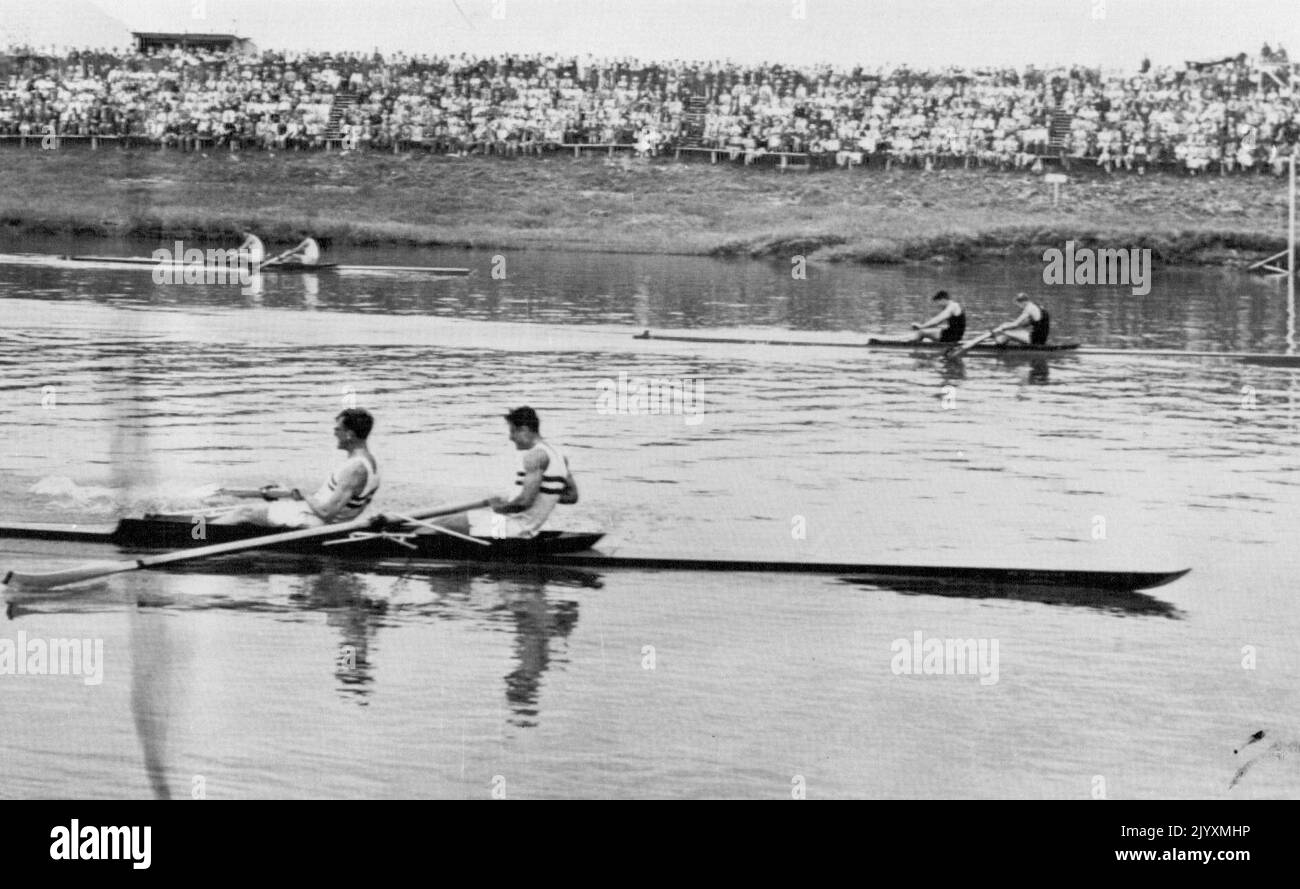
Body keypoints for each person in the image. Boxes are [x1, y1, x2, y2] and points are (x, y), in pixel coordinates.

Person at [213, 408, 380, 528]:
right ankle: (206, 528)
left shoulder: (355, 469)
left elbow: (327, 512)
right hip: (321, 518)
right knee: (248, 513)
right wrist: (300, 496)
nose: (334, 433)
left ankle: (196, 535)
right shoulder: (368, 462)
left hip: (317, 523)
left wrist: (305, 494)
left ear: (349, 434)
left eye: (338, 429)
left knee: (244, 512)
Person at [486, 406, 578, 539]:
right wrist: (544, 496)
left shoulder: (535, 456)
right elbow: (571, 497)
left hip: (510, 528)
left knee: (450, 521)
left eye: (512, 432)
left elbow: (524, 502)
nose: (511, 438)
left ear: (524, 429)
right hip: (528, 528)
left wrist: (497, 507)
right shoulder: (559, 456)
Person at [868, 290, 965, 343]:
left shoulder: (952, 306)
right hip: (953, 334)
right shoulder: (953, 306)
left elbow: (937, 320)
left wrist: (921, 326)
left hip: (952, 337)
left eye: (938, 303)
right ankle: (912, 343)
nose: (938, 305)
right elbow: (938, 322)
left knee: (921, 332)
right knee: (924, 332)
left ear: (943, 299)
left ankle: (911, 347)